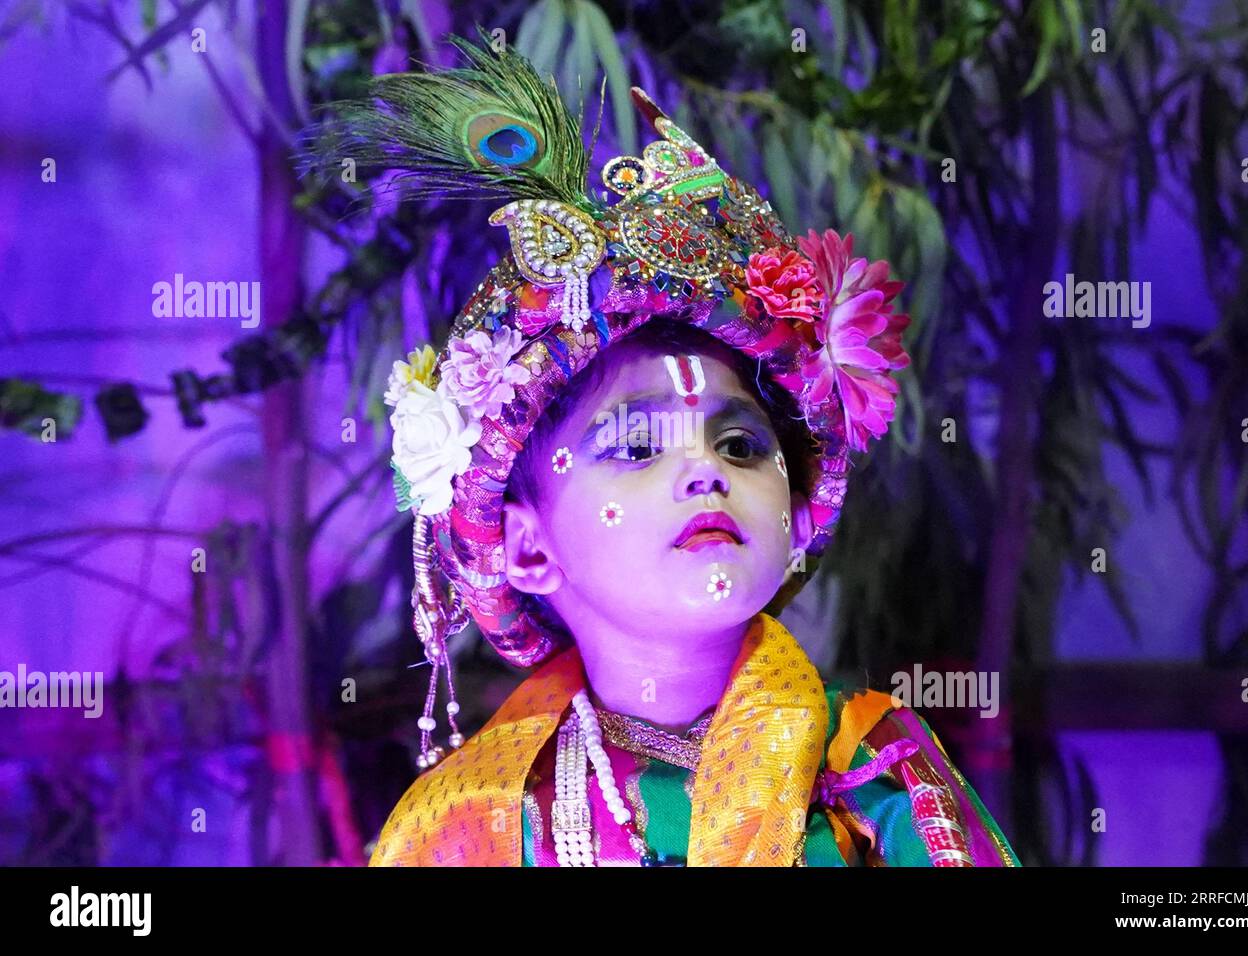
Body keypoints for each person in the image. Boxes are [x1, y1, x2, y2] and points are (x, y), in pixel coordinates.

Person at [310, 28, 1019, 866]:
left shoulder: (873, 768)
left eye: (742, 444)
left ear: (796, 514)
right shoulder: (481, 826)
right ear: (529, 548)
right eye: (639, 446)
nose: (704, 472)